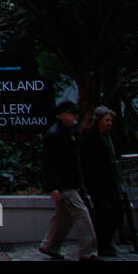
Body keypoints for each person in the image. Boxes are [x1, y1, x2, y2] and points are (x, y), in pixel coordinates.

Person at [39, 100, 99, 261]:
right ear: (64, 115)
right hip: (65, 184)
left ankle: (49, 246)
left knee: (64, 218)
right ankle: (88, 253)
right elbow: (49, 164)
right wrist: (53, 187)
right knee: (82, 215)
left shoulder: (66, 132)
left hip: (68, 183)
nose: (76, 116)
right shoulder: (56, 135)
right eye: (73, 113)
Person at [81, 106, 124, 257]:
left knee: (115, 209)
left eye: (111, 120)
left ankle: (105, 242)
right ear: (98, 120)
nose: (110, 123)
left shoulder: (106, 136)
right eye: (107, 120)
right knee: (103, 211)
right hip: (97, 181)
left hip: (107, 179)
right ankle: (102, 243)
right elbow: (89, 161)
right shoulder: (91, 136)